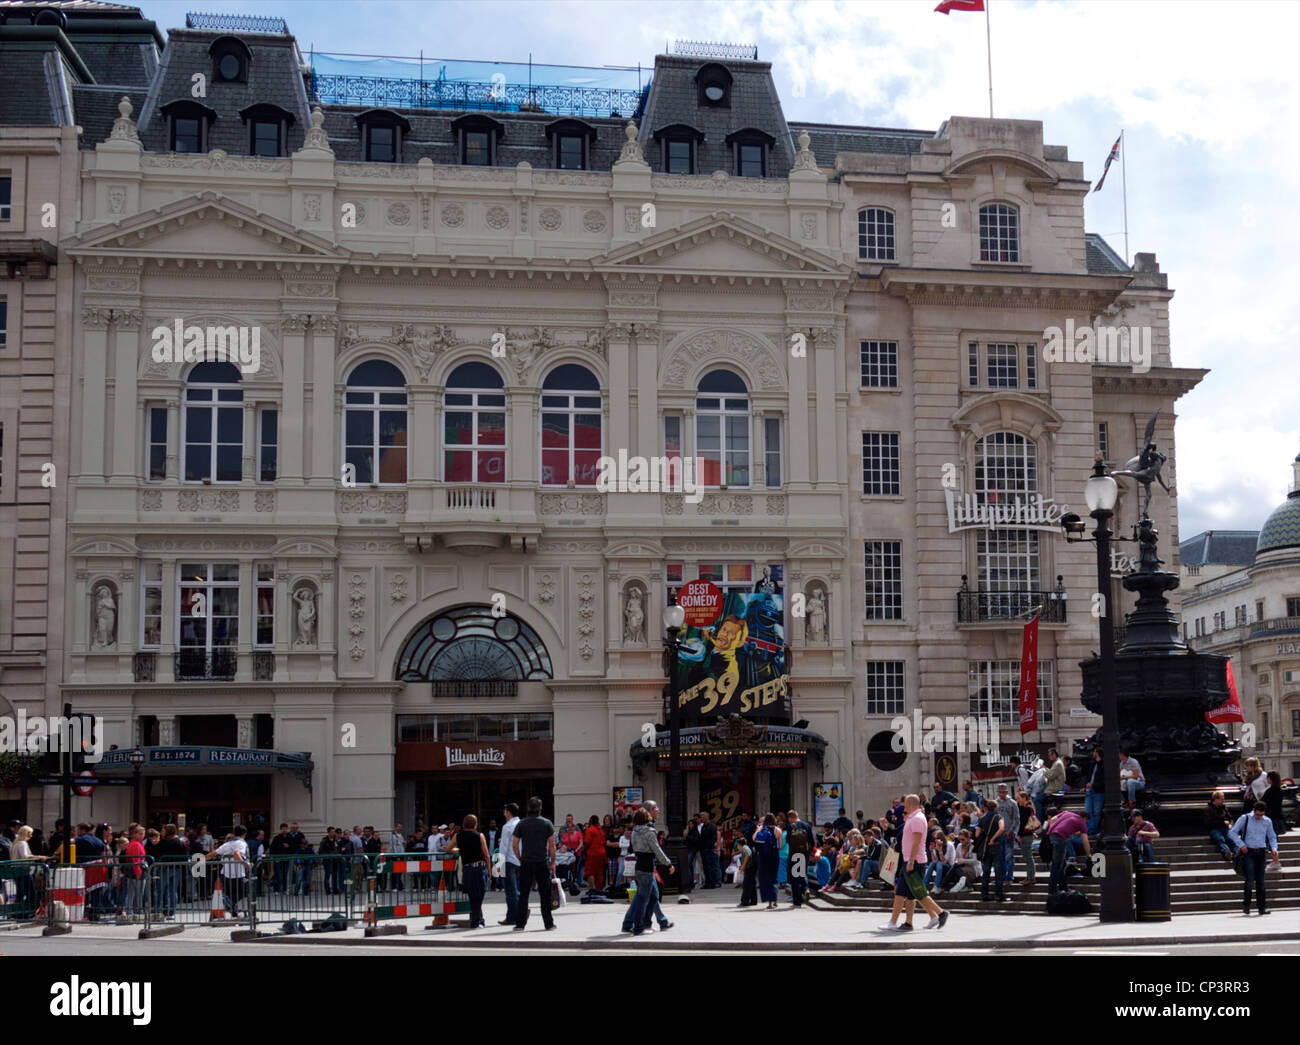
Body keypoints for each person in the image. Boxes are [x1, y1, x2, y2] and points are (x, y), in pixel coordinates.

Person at [879, 794, 948, 932]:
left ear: (909, 804)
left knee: (906, 892)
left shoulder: (917, 819)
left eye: (905, 805)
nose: (904, 807)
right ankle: (909, 923)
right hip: (911, 860)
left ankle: (939, 913)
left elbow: (916, 842)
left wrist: (910, 861)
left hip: (914, 861)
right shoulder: (914, 818)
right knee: (910, 894)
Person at [621, 809, 674, 935]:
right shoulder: (650, 833)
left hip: (639, 866)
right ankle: (639, 927)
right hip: (647, 868)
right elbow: (657, 850)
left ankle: (654, 923)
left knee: (653, 896)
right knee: (642, 900)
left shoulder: (634, 832)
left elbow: (634, 848)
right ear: (647, 818)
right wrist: (668, 863)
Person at [511, 797, 557, 932]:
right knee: (545, 894)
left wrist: (520, 858)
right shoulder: (547, 823)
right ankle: (548, 923)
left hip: (526, 862)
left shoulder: (522, 824)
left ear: (528, 808)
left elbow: (515, 845)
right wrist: (552, 862)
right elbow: (552, 845)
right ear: (540, 809)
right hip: (542, 862)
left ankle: (520, 924)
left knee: (523, 894)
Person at [1230, 800, 1281, 916]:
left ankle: (1261, 908)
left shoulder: (1267, 821)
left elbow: (1272, 836)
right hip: (1249, 851)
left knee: (1261, 881)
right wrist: (1241, 845)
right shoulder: (1245, 818)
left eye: (1261, 815)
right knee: (1250, 879)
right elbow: (1233, 833)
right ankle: (1246, 905)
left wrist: (1274, 848)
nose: (1259, 817)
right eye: (1257, 814)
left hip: (1261, 852)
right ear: (1254, 811)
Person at [449, 814, 491, 928]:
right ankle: (476, 921)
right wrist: (490, 869)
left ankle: (478, 920)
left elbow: (448, 849)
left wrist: (458, 849)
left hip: (467, 869)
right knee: (479, 895)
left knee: (473, 896)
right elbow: (486, 854)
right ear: (475, 824)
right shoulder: (480, 836)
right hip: (479, 868)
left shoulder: (458, 836)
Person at [1044, 807, 1090, 896]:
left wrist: (1053, 829)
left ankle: (1063, 887)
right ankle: (1052, 890)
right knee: (1056, 865)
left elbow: (1052, 819)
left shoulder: (1067, 813)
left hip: (1050, 835)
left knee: (1062, 864)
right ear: (1084, 818)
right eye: (1086, 821)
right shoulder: (1081, 822)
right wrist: (1089, 854)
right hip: (1059, 838)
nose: (1085, 824)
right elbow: (1085, 840)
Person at [207, 825, 250, 916]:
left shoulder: (228, 844)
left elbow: (214, 853)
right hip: (238, 873)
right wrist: (245, 864)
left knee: (231, 893)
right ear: (244, 834)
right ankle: (228, 903)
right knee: (242, 892)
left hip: (226, 873)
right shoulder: (241, 843)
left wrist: (202, 860)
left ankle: (232, 909)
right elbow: (236, 854)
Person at [974, 799, 1007, 903]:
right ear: (996, 807)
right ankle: (999, 895)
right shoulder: (999, 817)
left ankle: (984, 894)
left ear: (987, 808)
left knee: (986, 872)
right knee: (998, 871)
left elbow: (977, 834)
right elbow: (1001, 829)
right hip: (996, 846)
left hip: (985, 848)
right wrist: (993, 839)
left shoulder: (982, 819)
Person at [154, 824, 187, 918]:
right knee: (172, 891)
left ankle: (160, 911)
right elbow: (184, 855)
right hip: (176, 868)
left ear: (168, 831)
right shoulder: (179, 842)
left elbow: (156, 853)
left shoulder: (163, 842)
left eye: (163, 830)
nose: (161, 832)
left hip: (164, 868)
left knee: (161, 889)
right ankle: (171, 913)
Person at [785, 808, 815, 907]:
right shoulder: (806, 825)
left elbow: (788, 840)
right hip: (804, 852)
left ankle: (797, 901)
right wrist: (809, 852)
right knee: (802, 872)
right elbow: (812, 841)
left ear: (790, 818)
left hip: (794, 853)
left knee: (795, 877)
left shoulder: (790, 826)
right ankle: (806, 888)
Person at [751, 813, 782, 909]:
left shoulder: (761, 828)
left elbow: (753, 838)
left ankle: (769, 902)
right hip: (774, 855)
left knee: (765, 878)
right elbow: (780, 846)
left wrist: (759, 829)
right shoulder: (778, 830)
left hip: (763, 856)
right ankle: (775, 900)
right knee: (774, 877)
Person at [498, 803, 522, 926]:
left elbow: (503, 847)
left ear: (508, 812)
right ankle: (520, 911)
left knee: (510, 891)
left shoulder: (507, 826)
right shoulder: (521, 823)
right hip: (520, 860)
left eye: (505, 810)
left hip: (509, 860)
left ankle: (512, 916)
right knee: (517, 889)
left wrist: (499, 865)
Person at [1205, 789, 1242, 859]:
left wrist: (1231, 824)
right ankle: (1226, 852)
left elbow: (1230, 818)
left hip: (1225, 828)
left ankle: (1237, 851)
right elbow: (1209, 823)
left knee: (1230, 839)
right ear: (1216, 799)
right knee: (1220, 839)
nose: (1223, 800)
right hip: (1214, 829)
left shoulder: (1223, 808)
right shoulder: (1208, 809)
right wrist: (1222, 822)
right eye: (1222, 799)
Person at [994, 783, 1020, 884]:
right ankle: (1002, 876)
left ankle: (1010, 877)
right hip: (999, 833)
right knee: (1000, 857)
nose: (1001, 794)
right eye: (999, 792)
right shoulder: (995, 803)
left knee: (1009, 856)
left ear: (1006, 792)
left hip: (1009, 832)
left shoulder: (1013, 803)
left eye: (1003, 792)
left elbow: (1016, 819)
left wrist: (1012, 830)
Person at [1016, 789, 1039, 886]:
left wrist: (1018, 835)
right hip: (1026, 835)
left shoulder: (1026, 809)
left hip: (1025, 836)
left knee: (1028, 857)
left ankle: (1031, 877)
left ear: (1024, 798)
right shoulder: (1026, 808)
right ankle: (1029, 876)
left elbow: (1022, 823)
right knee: (1027, 857)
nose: (1017, 800)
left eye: (1019, 798)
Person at [737, 811, 759, 907]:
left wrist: (743, 866)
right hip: (753, 859)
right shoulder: (743, 824)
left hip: (751, 862)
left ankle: (745, 901)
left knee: (747, 882)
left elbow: (748, 854)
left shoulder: (746, 846)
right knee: (751, 881)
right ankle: (753, 900)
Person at [1083, 746, 1105, 834]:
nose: (1093, 753)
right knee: (1088, 811)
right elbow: (1089, 776)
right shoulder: (1093, 763)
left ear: (1097, 753)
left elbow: (1103, 780)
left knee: (1096, 812)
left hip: (1098, 791)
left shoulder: (1103, 765)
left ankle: (1092, 829)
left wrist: (1092, 785)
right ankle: (1091, 828)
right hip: (1089, 790)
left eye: (1094, 752)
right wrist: (1085, 787)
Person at [582, 815, 606, 892]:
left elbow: (587, 843)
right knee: (599, 873)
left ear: (591, 821)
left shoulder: (590, 830)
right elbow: (604, 842)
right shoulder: (601, 830)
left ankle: (592, 890)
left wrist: (583, 850)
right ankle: (599, 890)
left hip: (593, 853)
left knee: (590, 872)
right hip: (602, 853)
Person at [268, 823, 293, 894]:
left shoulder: (290, 837)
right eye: (283, 828)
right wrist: (274, 858)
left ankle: (284, 889)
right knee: (278, 874)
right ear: (281, 829)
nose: (284, 830)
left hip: (286, 859)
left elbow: (293, 848)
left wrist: (288, 846)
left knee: (285, 874)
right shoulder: (277, 838)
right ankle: (276, 889)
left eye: (285, 828)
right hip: (278, 859)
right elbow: (272, 849)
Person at [698, 810, 721, 888]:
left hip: (709, 849)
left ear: (707, 817)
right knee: (705, 867)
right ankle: (707, 883)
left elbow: (714, 838)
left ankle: (712, 883)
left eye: (702, 817)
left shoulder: (712, 826)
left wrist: (709, 846)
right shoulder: (703, 826)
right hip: (703, 849)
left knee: (711, 866)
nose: (701, 819)